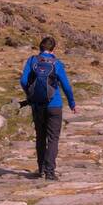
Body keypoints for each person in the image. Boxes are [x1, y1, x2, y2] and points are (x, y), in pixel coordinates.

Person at [19, 35, 75, 179]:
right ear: (53, 48)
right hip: (54, 105)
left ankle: (41, 168)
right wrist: (72, 103)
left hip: (37, 105)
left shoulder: (32, 60)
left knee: (40, 137)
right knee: (53, 138)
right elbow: (66, 86)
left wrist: (30, 94)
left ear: (40, 47)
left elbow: (24, 80)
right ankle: (50, 171)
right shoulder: (56, 63)